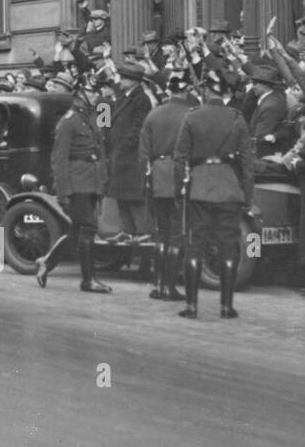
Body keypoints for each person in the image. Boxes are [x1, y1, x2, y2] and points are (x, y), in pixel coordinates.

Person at [173, 67, 256, 318]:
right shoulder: (236, 118)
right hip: (230, 190)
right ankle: (226, 306)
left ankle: (191, 306)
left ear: (206, 90)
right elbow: (248, 165)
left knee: (194, 246)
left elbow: (180, 159)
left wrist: (180, 191)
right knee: (229, 247)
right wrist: (247, 197)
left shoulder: (192, 116)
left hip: (199, 188)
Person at [35, 72, 112, 293]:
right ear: (80, 94)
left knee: (77, 230)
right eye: (92, 92)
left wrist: (103, 178)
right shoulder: (68, 122)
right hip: (76, 183)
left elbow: (101, 147)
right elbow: (58, 160)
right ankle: (88, 280)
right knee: (88, 227)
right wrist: (64, 192)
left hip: (91, 181)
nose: (96, 96)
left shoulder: (91, 116)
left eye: (97, 92)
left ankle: (46, 263)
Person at [138, 71, 199, 301]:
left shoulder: (154, 114)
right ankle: (170, 287)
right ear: (185, 90)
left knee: (160, 233)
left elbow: (143, 152)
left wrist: (148, 176)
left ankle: (158, 285)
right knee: (177, 233)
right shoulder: (191, 114)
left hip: (157, 174)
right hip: (180, 174)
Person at [106, 59, 157, 250]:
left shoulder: (141, 99)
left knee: (134, 197)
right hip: (119, 155)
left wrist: (121, 146)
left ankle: (142, 231)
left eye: (122, 77)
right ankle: (127, 230)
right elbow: (109, 121)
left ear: (132, 81)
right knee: (122, 195)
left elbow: (138, 128)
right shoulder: (122, 96)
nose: (118, 80)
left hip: (131, 156)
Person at [245, 65, 290, 158]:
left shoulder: (270, 106)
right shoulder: (273, 97)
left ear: (265, 85)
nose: (253, 87)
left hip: (263, 155)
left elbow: (259, 138)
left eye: (255, 84)